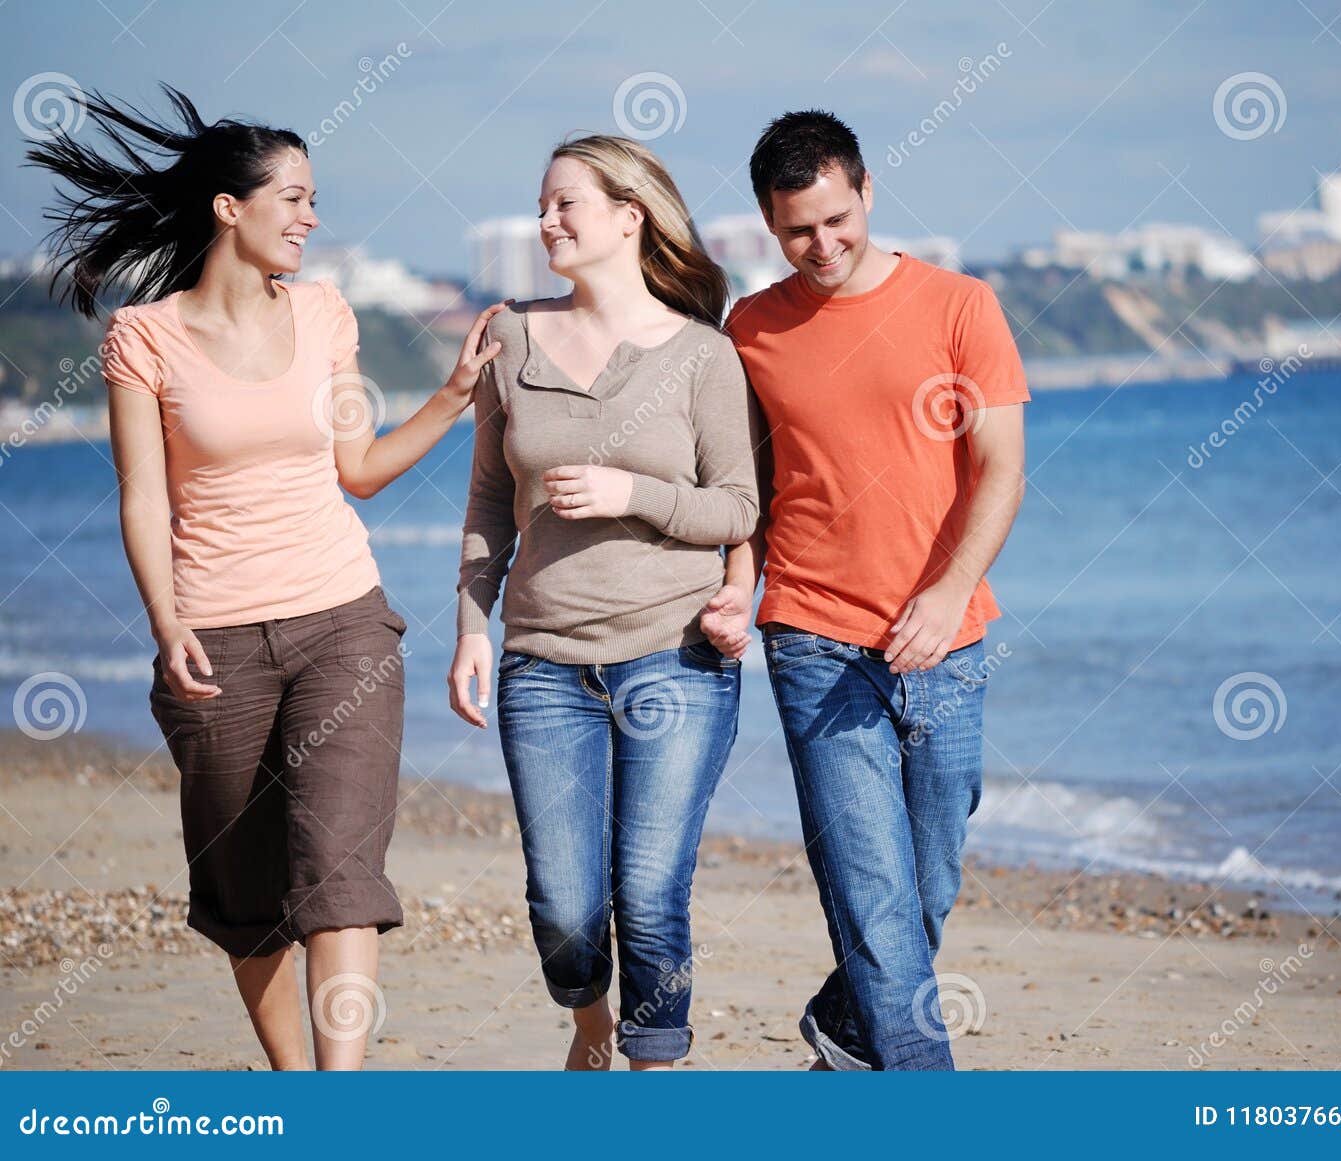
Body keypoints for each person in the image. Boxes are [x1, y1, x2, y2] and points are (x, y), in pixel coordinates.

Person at [28, 84, 504, 1070]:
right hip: (215, 642)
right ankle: (294, 1087)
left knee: (341, 873)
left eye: (315, 197)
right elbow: (143, 500)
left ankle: (340, 1106)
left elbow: (358, 469)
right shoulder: (143, 338)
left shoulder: (326, 314)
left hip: (343, 622)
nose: (312, 216)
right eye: (293, 196)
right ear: (228, 208)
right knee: (244, 892)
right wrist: (166, 623)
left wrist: (457, 394)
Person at [722, 109, 1031, 1070]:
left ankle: (846, 1021)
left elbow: (1002, 469)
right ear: (770, 229)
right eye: (796, 231)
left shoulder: (959, 305)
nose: (821, 245)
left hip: (949, 636)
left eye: (834, 219)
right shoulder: (752, 328)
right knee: (873, 887)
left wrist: (948, 593)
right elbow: (745, 485)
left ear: (865, 190)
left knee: (927, 880)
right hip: (812, 635)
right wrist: (738, 584)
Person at [448, 134, 760, 1070]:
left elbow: (741, 507)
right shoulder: (511, 336)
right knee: (565, 901)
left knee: (653, 887)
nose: (545, 222)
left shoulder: (704, 353)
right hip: (542, 661)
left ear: (630, 216)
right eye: (542, 205)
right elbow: (488, 502)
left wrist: (636, 495)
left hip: (675, 653)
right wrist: (472, 624)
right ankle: (590, 1022)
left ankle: (654, 1065)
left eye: (564, 204)